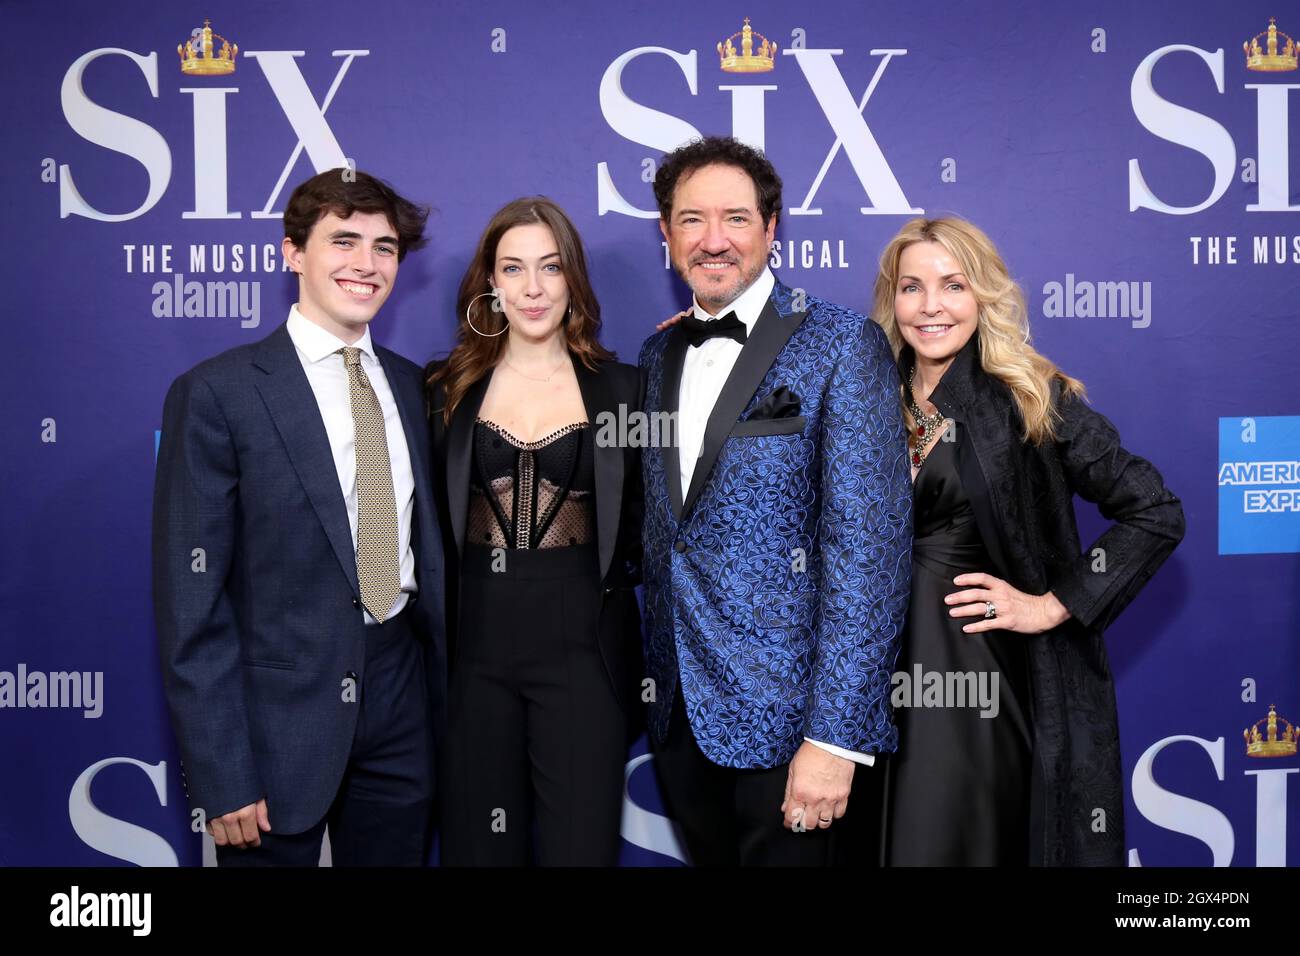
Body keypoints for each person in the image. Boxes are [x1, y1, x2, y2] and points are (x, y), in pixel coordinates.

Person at [152, 169, 446, 866]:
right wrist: (221, 773)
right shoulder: (218, 394)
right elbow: (190, 604)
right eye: (343, 240)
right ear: (292, 253)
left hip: (402, 699)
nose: (366, 264)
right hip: (274, 723)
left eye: (384, 247)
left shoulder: (415, 387)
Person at [872, 216, 1185, 866]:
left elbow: (1154, 511)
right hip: (870, 686)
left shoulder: (1028, 397)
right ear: (891, 298)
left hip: (969, 686)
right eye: (912, 287)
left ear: (983, 295)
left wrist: (1051, 603)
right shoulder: (867, 396)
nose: (930, 306)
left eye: (953, 285)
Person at [639, 136, 912, 866]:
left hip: (795, 731)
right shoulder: (656, 355)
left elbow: (871, 556)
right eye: (691, 220)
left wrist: (836, 738)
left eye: (735, 217)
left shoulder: (842, 343)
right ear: (666, 235)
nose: (713, 240)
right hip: (682, 720)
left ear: (772, 228)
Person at [426, 197, 643, 866]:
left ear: (572, 278)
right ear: (489, 282)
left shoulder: (629, 391)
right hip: (472, 662)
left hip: (584, 658)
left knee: (582, 853)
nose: (533, 288)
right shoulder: (443, 391)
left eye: (550, 268)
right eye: (513, 268)